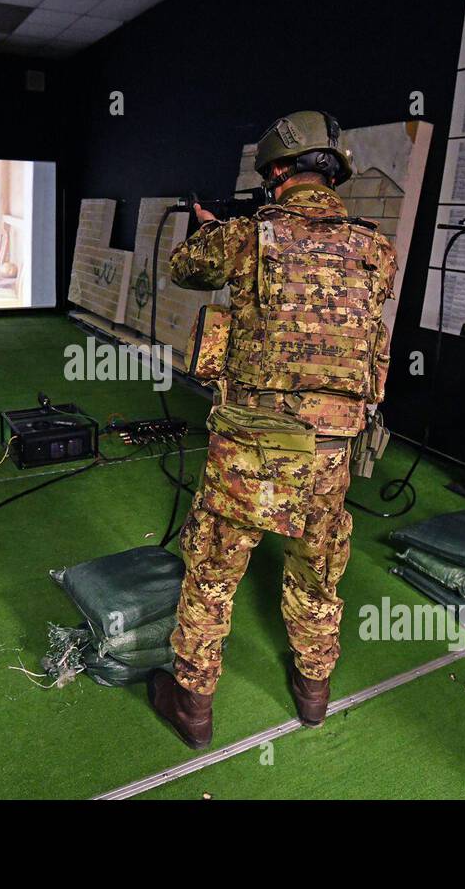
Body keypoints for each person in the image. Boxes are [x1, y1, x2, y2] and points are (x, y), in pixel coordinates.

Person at [148, 111, 397, 748]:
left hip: (255, 439)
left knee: (213, 570)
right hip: (334, 444)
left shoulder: (247, 236)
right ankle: (314, 692)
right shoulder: (376, 246)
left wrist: (212, 228)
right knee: (318, 568)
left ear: (278, 171)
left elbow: (183, 266)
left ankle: (194, 705)